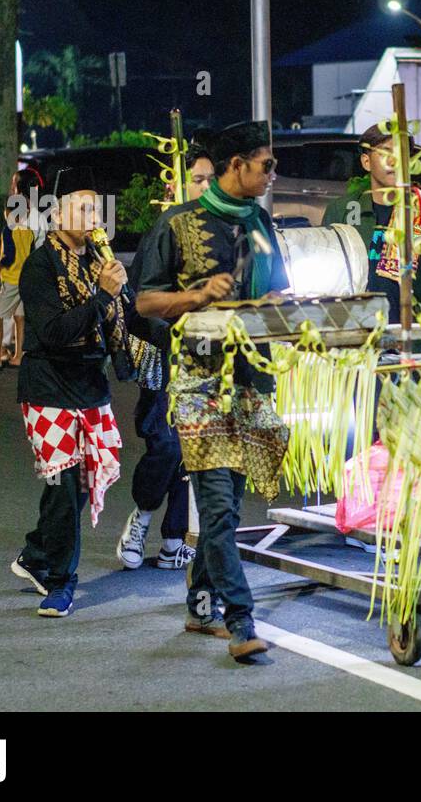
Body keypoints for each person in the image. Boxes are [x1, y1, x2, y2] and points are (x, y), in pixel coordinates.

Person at [133, 120, 289, 660]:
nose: (272, 173)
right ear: (236, 165)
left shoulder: (264, 223)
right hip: (199, 383)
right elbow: (145, 302)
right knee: (219, 508)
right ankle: (241, 621)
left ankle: (201, 604)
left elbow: (281, 295)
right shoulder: (177, 224)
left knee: (228, 504)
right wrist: (196, 296)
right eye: (265, 165)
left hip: (253, 381)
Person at [10, 167, 130, 617]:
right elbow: (55, 331)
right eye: (82, 206)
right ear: (57, 214)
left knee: (78, 486)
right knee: (65, 486)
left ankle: (38, 553)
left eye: (95, 207)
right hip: (48, 388)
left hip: (89, 387)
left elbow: (125, 318)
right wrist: (102, 297)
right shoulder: (40, 266)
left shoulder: (97, 261)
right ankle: (61, 582)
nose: (92, 215)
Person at [117, 140, 215, 572]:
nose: (207, 187)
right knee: (166, 445)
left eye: (214, 179)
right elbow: (139, 302)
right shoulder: (168, 227)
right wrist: (177, 332)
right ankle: (140, 518)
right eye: (198, 180)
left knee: (194, 450)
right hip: (164, 357)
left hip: (211, 361)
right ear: (179, 182)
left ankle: (176, 536)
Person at [321, 124, 421, 316]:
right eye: (385, 152)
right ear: (366, 162)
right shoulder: (341, 210)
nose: (394, 161)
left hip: (413, 322)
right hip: (358, 323)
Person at [0, 169, 44, 371]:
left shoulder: (14, 221)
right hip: (30, 276)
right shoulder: (39, 217)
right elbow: (40, 249)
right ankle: (18, 356)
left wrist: (0, 264)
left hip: (13, 275)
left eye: (13, 184)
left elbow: (10, 253)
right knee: (20, 316)